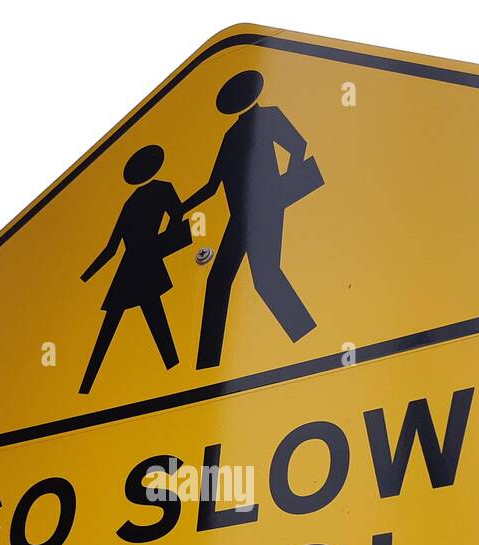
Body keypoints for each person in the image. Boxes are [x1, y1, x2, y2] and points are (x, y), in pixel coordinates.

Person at [182, 70, 319, 370]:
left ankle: (310, 342)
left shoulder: (268, 117)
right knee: (218, 279)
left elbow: (298, 145)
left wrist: (282, 188)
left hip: (265, 208)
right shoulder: (229, 136)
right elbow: (213, 185)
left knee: (266, 279)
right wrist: (182, 208)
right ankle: (207, 367)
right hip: (239, 216)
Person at [79, 143, 189, 395]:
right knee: (137, 318)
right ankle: (86, 386)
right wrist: (84, 279)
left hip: (136, 264)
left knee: (148, 318)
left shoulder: (151, 193)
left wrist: (163, 244)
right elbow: (112, 248)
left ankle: (176, 373)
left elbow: (177, 215)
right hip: (136, 264)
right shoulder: (137, 199)